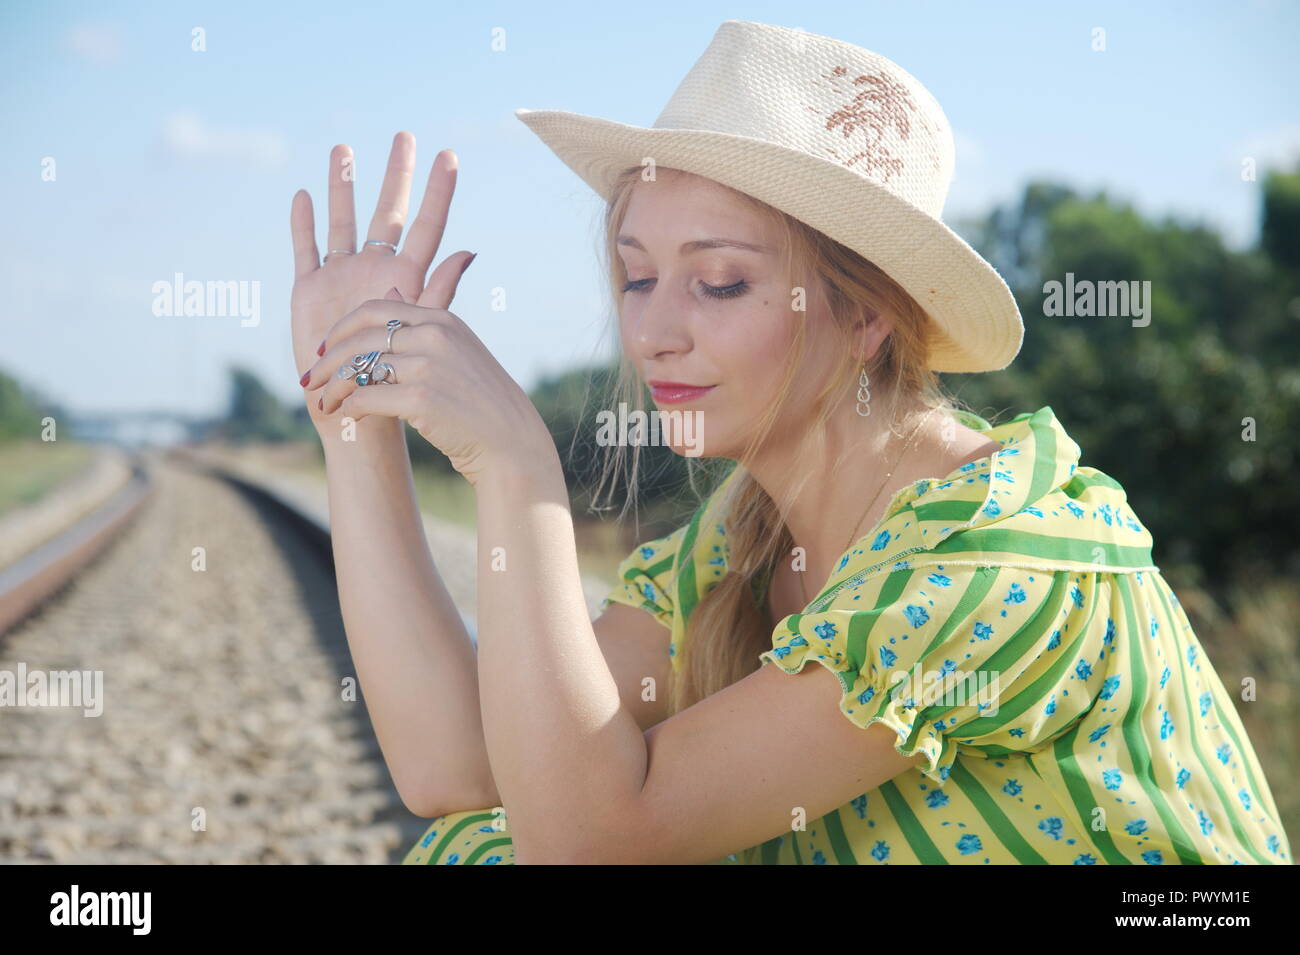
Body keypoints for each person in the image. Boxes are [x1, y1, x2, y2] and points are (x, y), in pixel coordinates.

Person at [290, 20, 1291, 865]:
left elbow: (592, 838)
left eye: (718, 281)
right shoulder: (739, 548)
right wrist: (353, 412)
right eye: (638, 275)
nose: (655, 328)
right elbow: (460, 767)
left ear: (866, 319)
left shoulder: (996, 554)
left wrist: (516, 470)